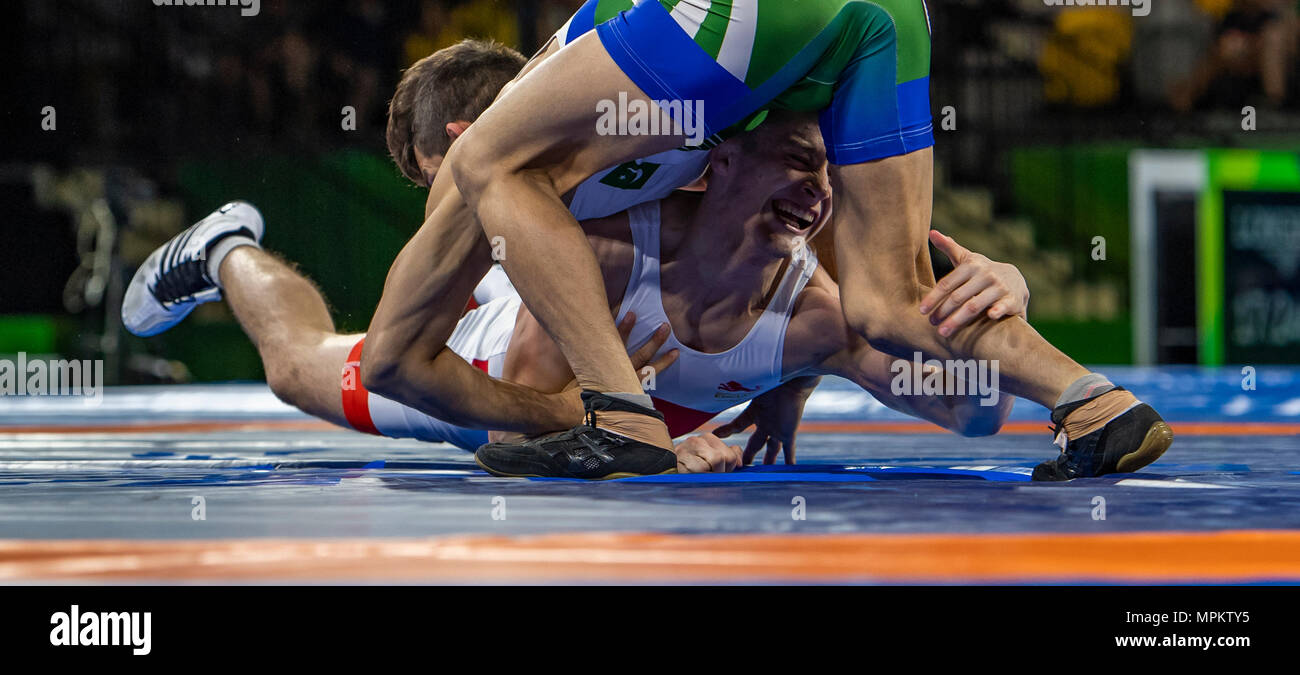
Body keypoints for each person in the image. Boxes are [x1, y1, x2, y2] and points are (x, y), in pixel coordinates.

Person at [357, 0, 1170, 479]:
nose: (448, 192)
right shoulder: (601, 142)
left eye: (432, 169)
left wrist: (574, 409)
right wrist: (796, 379)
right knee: (892, 299)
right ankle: (1093, 401)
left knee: (491, 170)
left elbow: (394, 355)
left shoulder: (491, 164)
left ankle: (623, 417)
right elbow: (807, 219)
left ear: (450, 142)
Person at [122, 112, 1046, 475]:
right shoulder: (606, 250)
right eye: (795, 163)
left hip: (572, 396)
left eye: (827, 173)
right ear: (718, 165)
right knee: (292, 366)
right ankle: (227, 249)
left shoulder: (814, 319)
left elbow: (969, 418)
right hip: (475, 378)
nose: (819, 191)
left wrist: (994, 310)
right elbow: (509, 427)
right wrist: (649, 441)